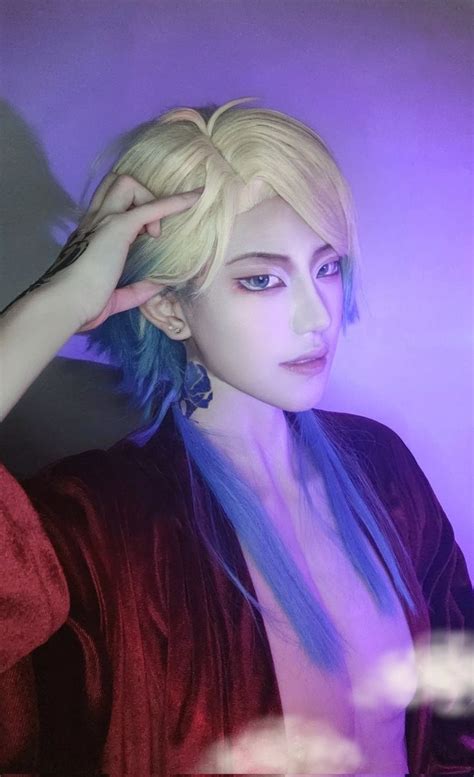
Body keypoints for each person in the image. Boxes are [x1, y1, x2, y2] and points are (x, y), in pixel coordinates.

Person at [0, 97, 472, 774]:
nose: (317, 316)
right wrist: (59, 302)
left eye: (327, 266)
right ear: (169, 308)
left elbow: (457, 712)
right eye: (262, 279)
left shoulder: (381, 468)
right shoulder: (94, 525)